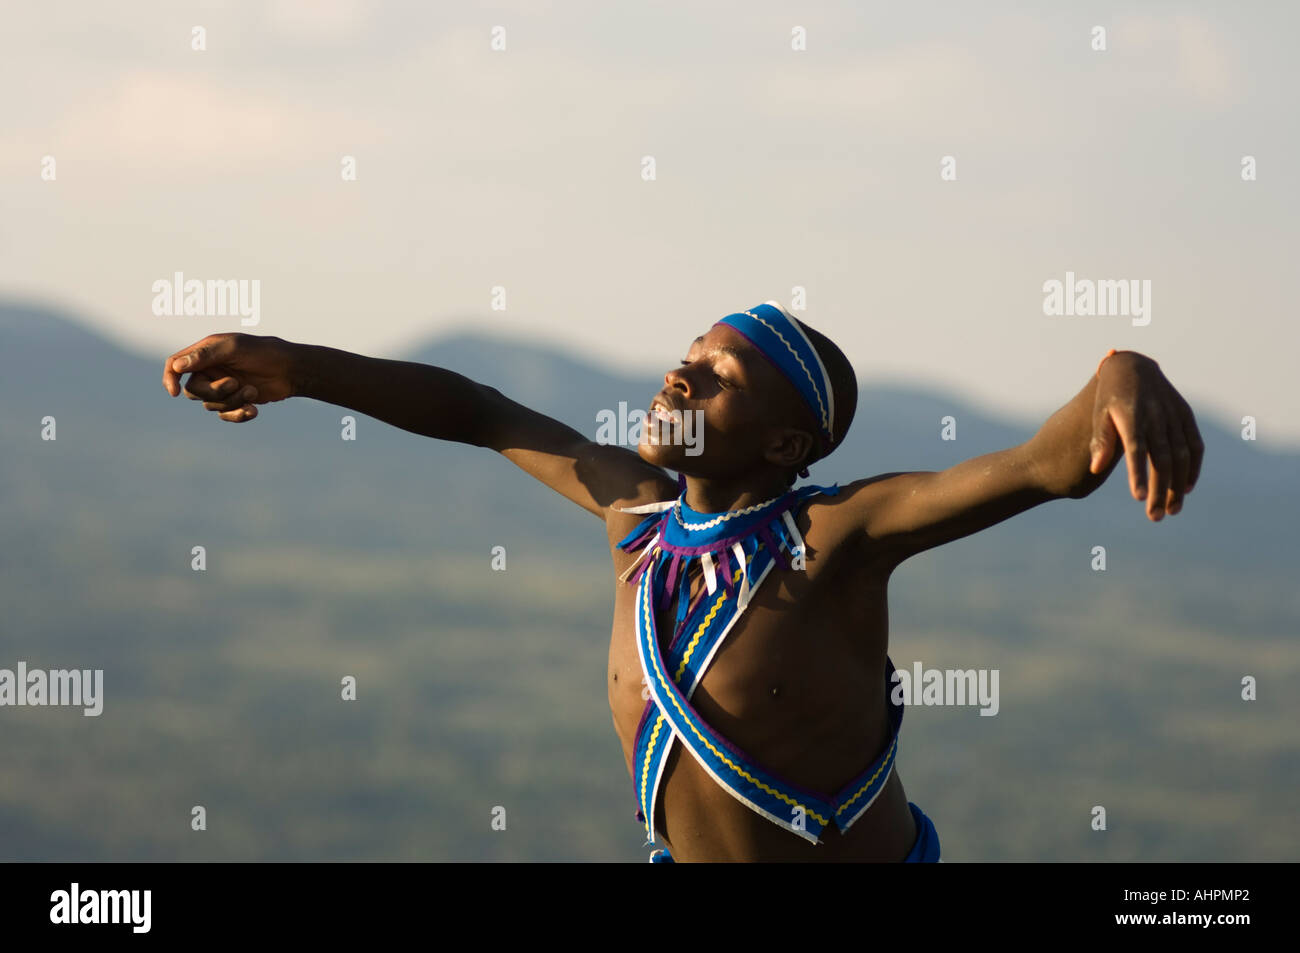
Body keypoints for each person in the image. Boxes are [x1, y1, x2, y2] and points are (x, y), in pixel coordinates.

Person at [160, 301, 1203, 862]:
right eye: (688, 354)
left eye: (720, 375)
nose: (680, 375)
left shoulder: (832, 537)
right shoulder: (636, 520)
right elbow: (479, 410)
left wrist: (1120, 371)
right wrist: (299, 364)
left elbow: (1040, 464)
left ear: (787, 439)